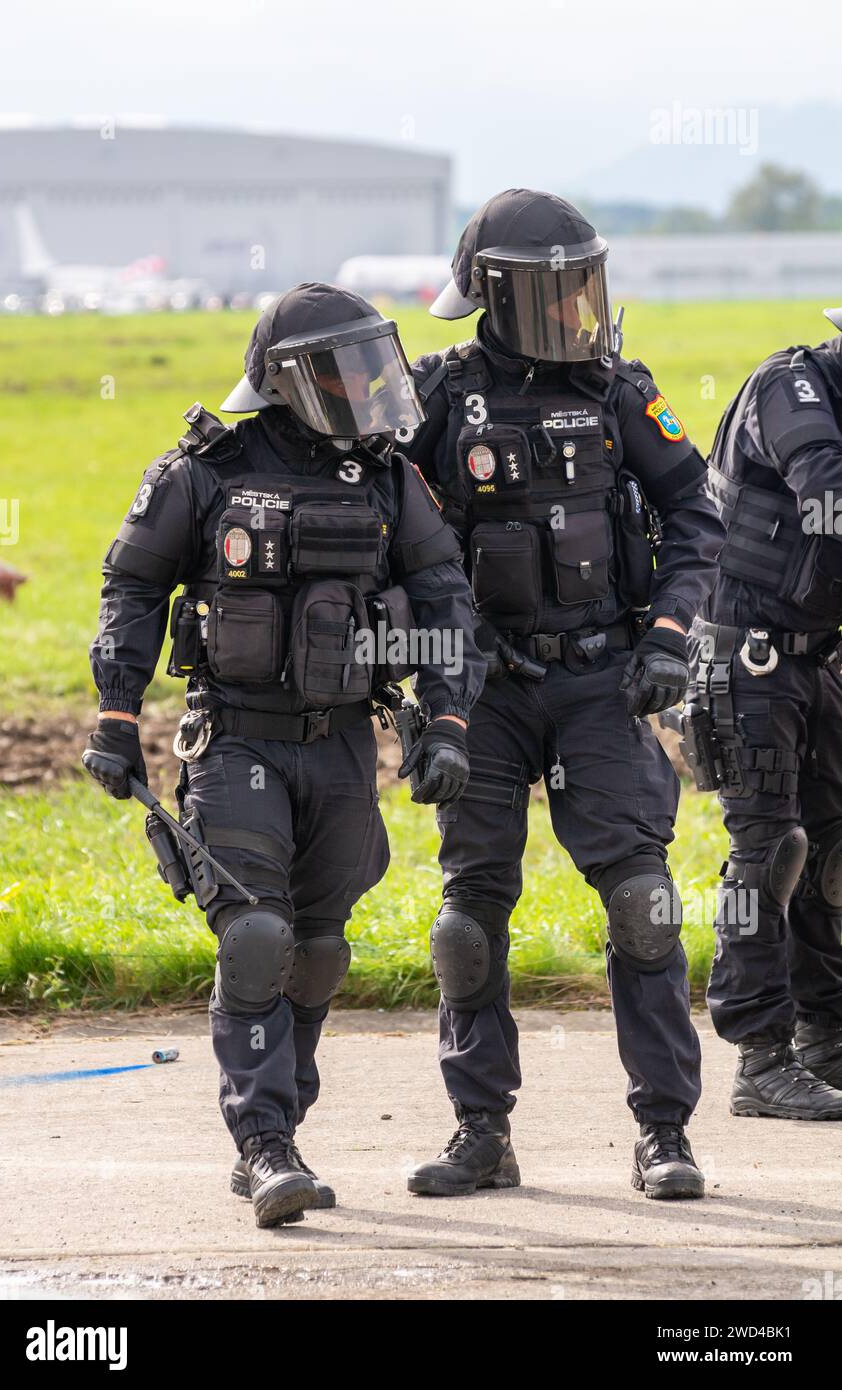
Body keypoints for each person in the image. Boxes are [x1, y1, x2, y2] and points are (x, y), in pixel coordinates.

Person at [83, 283, 485, 1227]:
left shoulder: (387, 475)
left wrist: (449, 719)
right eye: (345, 372)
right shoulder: (204, 470)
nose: (367, 389)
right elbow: (132, 583)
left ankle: (281, 1117)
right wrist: (114, 710)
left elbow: (443, 594)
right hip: (236, 743)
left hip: (344, 743)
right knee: (256, 937)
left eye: (371, 367)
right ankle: (265, 1144)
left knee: (317, 951)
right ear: (284, 382)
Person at [399, 189, 725, 1200]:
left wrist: (669, 635)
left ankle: (664, 1132)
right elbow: (383, 531)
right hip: (481, 686)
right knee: (466, 921)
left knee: (642, 904)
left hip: (604, 679)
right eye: (553, 288)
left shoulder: (623, 392)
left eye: (582, 281)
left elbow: (697, 522)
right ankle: (480, 1132)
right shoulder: (437, 400)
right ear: (494, 294)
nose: (575, 305)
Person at [685, 304, 842, 1120]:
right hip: (747, 657)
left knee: (833, 849)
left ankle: (826, 1037)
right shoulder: (794, 387)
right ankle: (760, 1059)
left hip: (815, 656)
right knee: (768, 851)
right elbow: (826, 498)